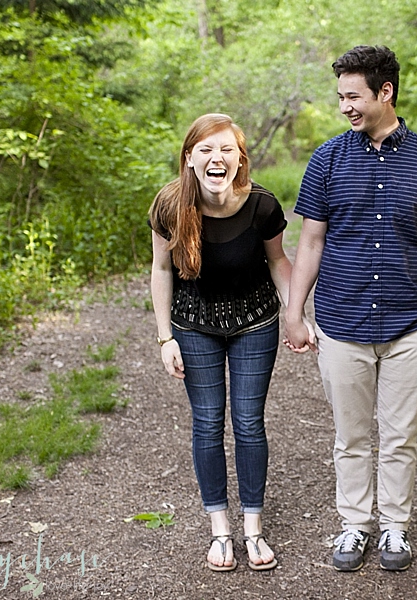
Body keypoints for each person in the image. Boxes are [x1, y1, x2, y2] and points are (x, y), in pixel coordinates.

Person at [284, 46, 417, 572]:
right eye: (340, 95)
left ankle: (393, 528)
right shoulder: (328, 158)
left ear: (384, 92)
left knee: (400, 433)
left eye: (352, 95)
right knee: (352, 435)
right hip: (341, 323)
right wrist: (295, 311)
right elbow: (312, 240)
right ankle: (353, 526)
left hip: (411, 324)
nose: (344, 105)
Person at [149, 113, 293, 572]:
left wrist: (296, 315)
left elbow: (279, 263)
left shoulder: (263, 206)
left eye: (227, 149)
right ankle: (220, 532)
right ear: (190, 159)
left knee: (249, 421)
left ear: (239, 158)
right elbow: (161, 271)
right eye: (207, 150)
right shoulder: (169, 207)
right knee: (208, 422)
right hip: (193, 327)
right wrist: (164, 337)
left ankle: (252, 530)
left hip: (255, 322)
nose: (217, 158)